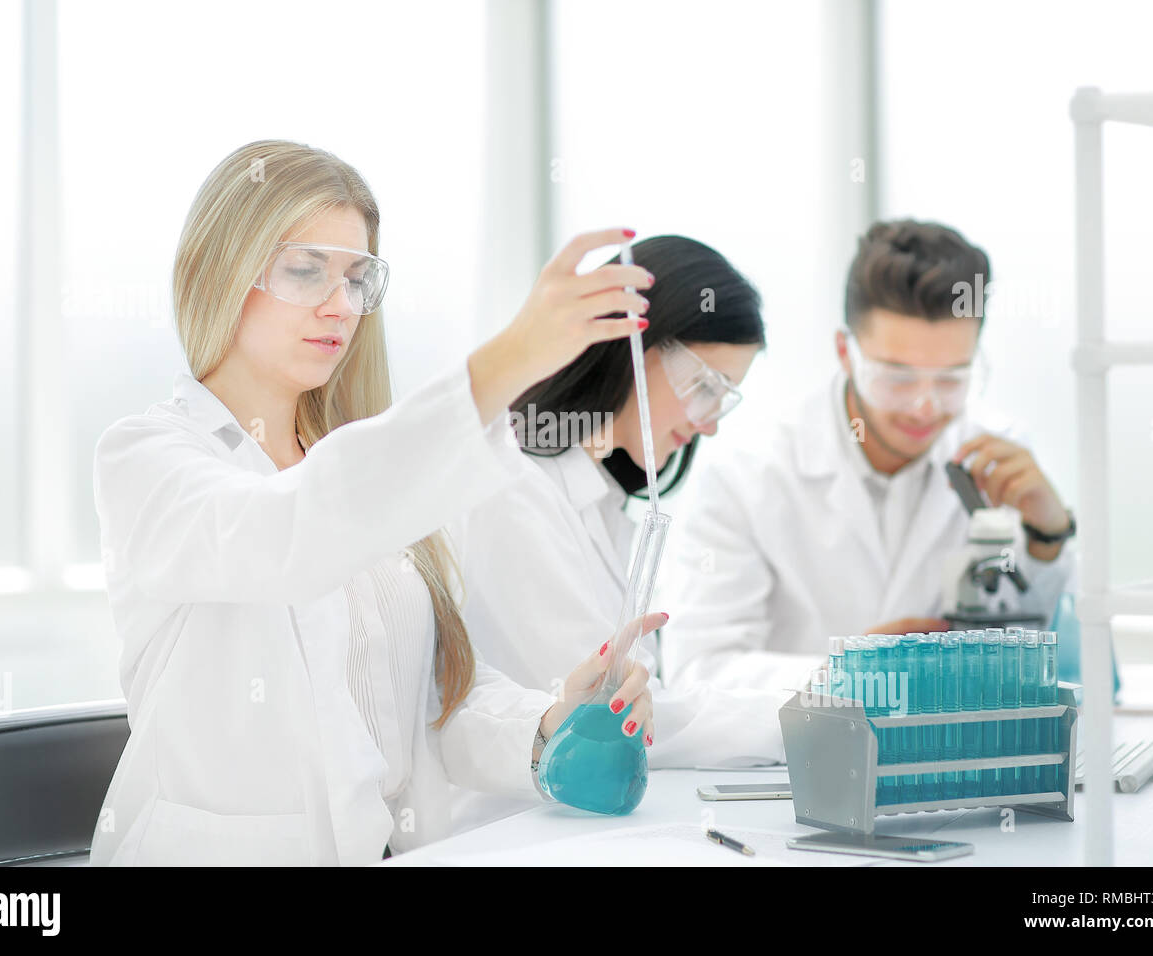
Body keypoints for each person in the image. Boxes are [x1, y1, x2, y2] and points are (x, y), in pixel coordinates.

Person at [89, 139, 661, 865]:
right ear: (218, 268)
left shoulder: (351, 461)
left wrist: (552, 722)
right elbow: (285, 538)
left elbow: (420, 707)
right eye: (305, 270)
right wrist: (507, 362)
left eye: (358, 278)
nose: (340, 305)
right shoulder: (148, 459)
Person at [446, 236, 784, 832]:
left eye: (724, 399)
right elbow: (613, 713)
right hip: (501, 827)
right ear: (632, 344)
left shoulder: (600, 504)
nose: (707, 422)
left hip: (574, 819)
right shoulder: (514, 490)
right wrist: (806, 719)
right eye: (704, 385)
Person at [661, 219, 1076, 694]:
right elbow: (699, 674)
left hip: (953, 757)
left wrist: (1049, 533)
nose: (925, 406)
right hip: (788, 764)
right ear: (845, 351)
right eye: (897, 377)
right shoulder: (745, 475)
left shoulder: (999, 459)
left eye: (950, 379)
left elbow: (1042, 660)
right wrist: (852, 672)